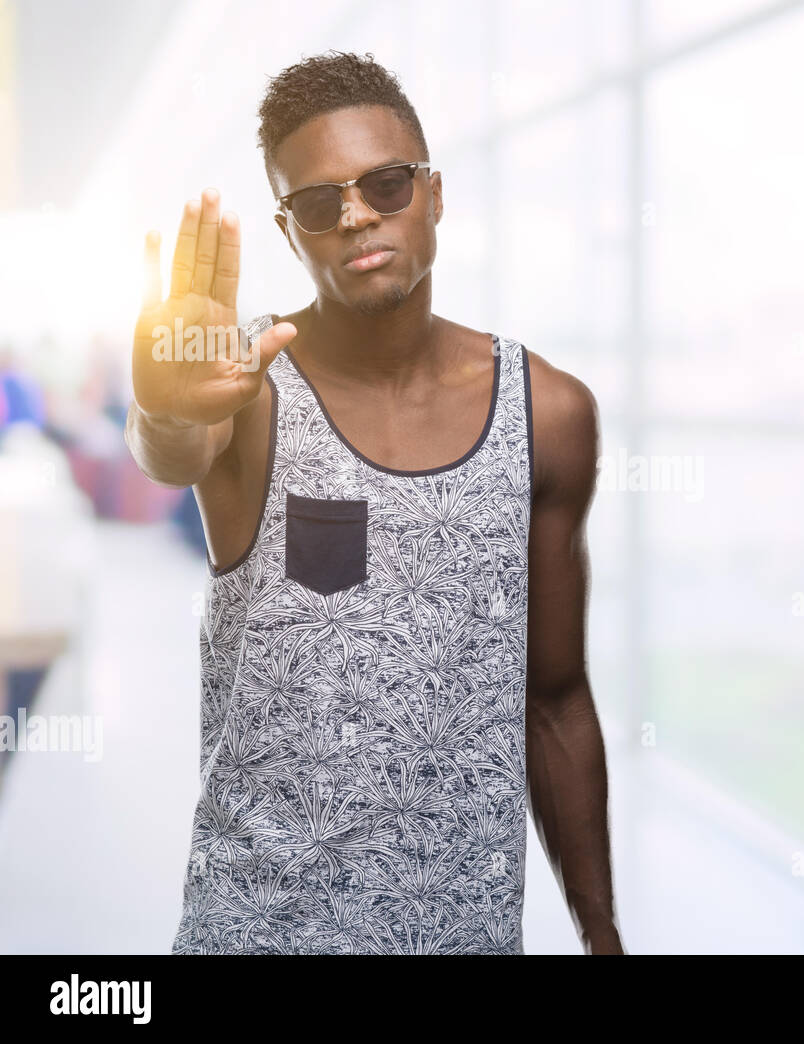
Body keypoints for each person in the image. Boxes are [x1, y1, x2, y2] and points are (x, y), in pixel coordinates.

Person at [124, 51, 623, 955]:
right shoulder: (250, 386)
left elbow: (553, 698)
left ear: (433, 194)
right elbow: (173, 451)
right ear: (290, 233)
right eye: (319, 202)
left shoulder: (548, 413)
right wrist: (161, 409)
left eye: (385, 184)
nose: (356, 213)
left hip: (464, 938)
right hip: (252, 934)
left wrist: (602, 933)